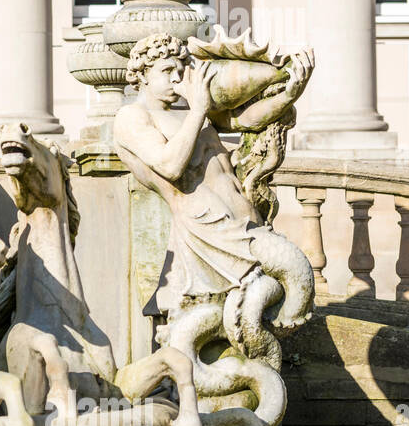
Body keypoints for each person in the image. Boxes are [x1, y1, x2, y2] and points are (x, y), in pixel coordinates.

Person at [113, 32, 314, 327]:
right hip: (209, 231)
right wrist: (198, 108)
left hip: (243, 224)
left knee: (282, 290)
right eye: (166, 71)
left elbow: (245, 121)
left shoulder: (193, 112)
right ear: (142, 75)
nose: (176, 78)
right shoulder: (133, 116)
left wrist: (289, 94)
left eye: (180, 70)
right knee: (296, 271)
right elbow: (170, 166)